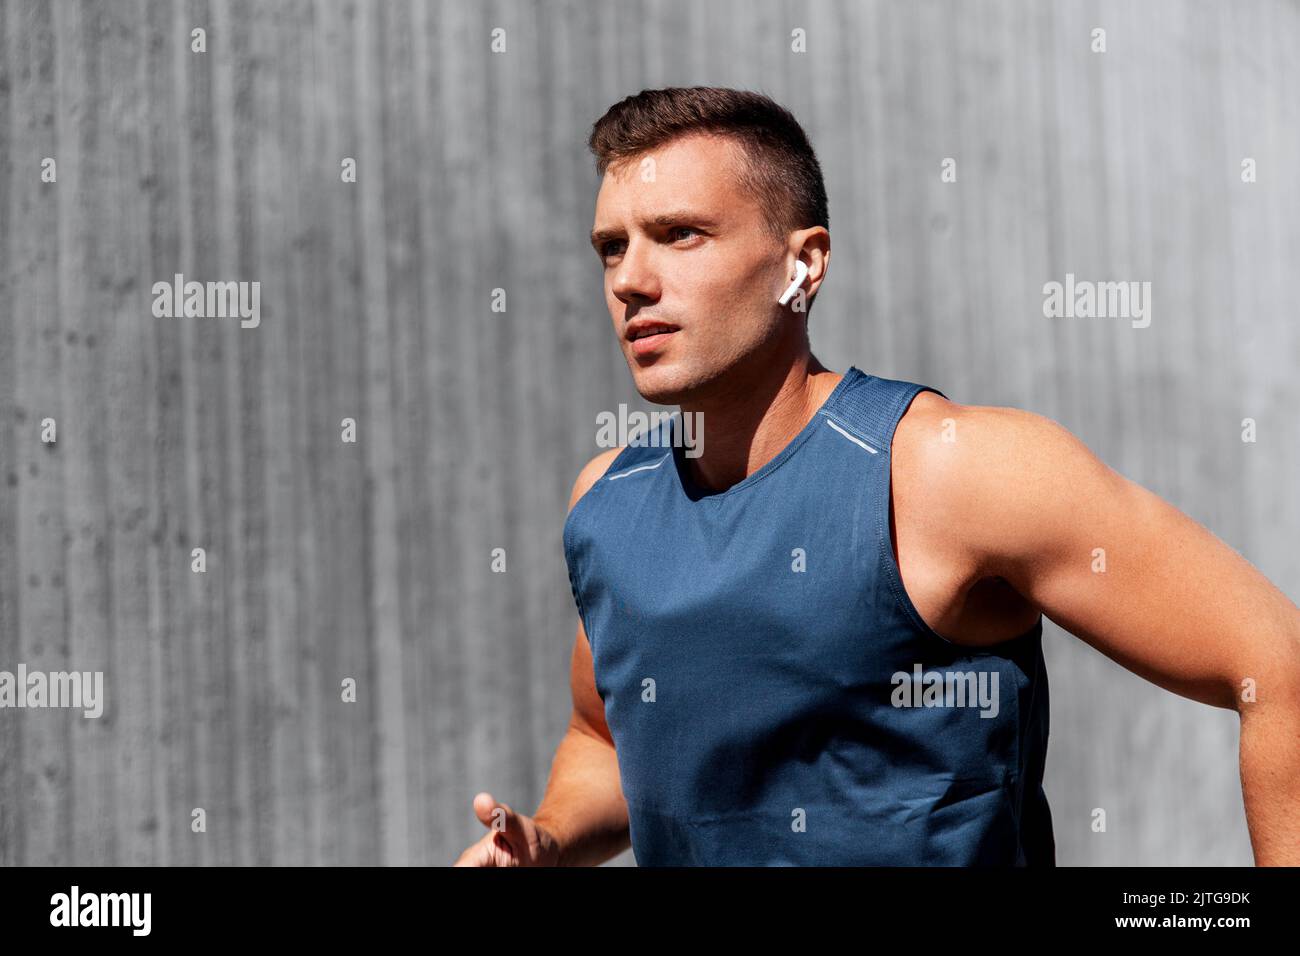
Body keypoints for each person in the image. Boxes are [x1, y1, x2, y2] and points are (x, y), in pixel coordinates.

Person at [454, 87, 1300, 866]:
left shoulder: (948, 470)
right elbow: (604, 741)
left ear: (804, 265)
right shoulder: (608, 502)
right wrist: (551, 839)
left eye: (680, 234)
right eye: (612, 247)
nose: (632, 280)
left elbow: (1273, 663)